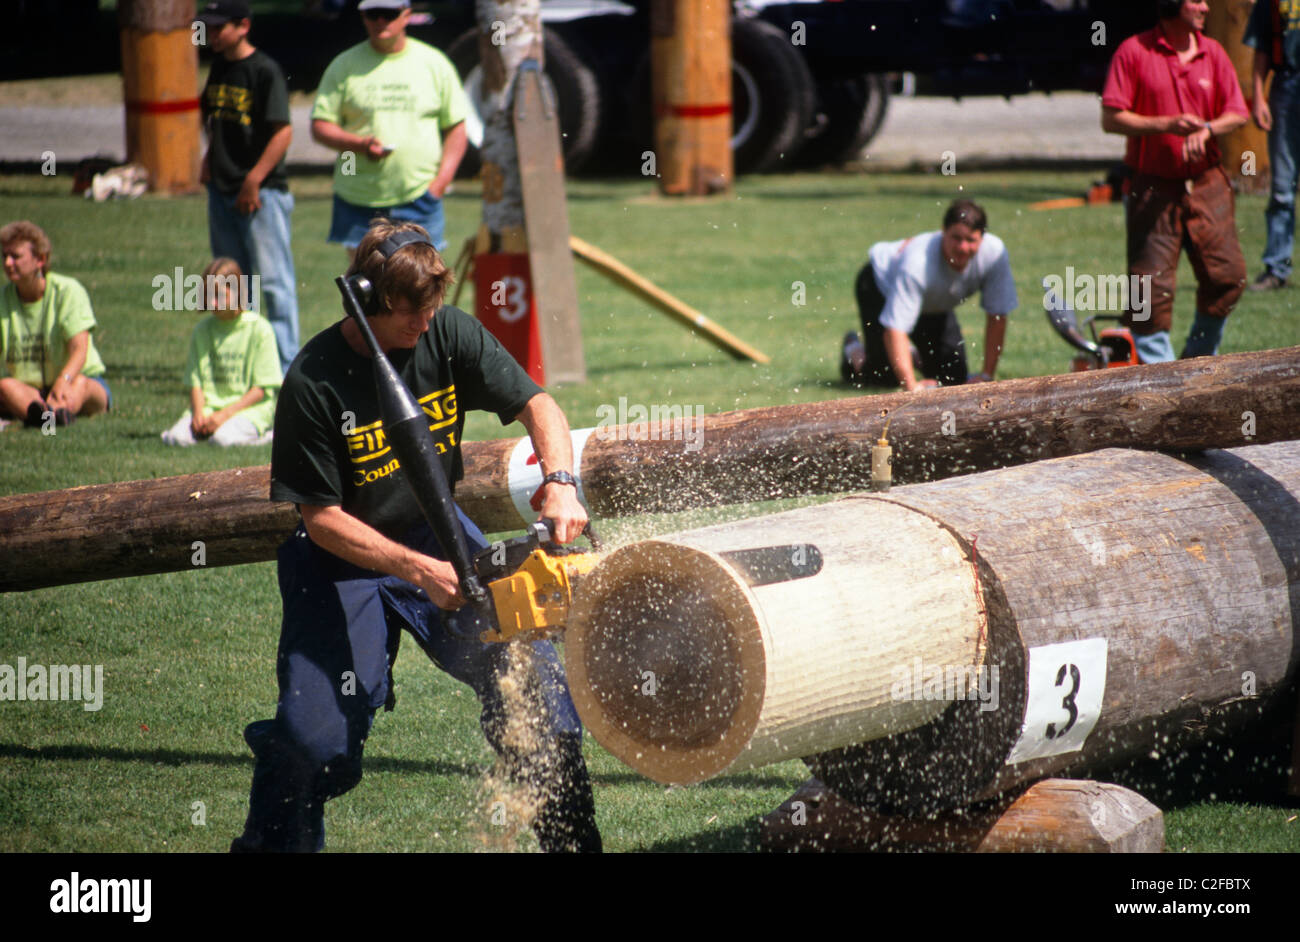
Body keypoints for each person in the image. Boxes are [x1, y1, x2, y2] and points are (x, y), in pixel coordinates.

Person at [232, 219, 600, 853]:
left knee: (538, 699)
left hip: (439, 535)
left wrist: (561, 482)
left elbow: (539, 405)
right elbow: (319, 519)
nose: (424, 326)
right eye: (409, 315)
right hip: (340, 558)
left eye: (431, 311)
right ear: (370, 301)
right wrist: (419, 573)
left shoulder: (446, 328)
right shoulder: (314, 379)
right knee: (316, 746)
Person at [1100, 0, 1248, 362]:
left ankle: (1196, 361)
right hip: (1152, 184)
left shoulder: (1213, 52)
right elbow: (1111, 117)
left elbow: (1238, 112)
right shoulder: (1133, 51)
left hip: (1206, 181)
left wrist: (1209, 128)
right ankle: (1164, 381)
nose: (1205, 7)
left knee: (1227, 278)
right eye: (1195, 0)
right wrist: (1165, 124)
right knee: (1147, 295)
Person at [310, 0, 469, 258]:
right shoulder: (344, 65)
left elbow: (457, 128)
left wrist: (440, 183)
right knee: (364, 289)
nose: (380, 21)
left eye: (389, 13)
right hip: (359, 201)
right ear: (363, 17)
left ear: (406, 15)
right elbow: (320, 127)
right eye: (373, 14)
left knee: (421, 288)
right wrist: (359, 145)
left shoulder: (434, 63)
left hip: (420, 198)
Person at [197, 0, 300, 375]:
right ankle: (246, 364)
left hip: (262, 194)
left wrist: (254, 180)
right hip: (223, 190)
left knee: (273, 283)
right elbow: (212, 116)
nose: (211, 35)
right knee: (233, 281)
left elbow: (283, 132)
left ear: (243, 26)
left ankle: (287, 368)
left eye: (218, 27)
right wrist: (209, 159)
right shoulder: (221, 66)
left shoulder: (265, 71)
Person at [840, 199, 1016, 391]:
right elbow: (894, 330)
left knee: (952, 376)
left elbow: (997, 316)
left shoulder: (995, 255)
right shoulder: (917, 263)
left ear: (982, 237)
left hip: (934, 302)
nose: (962, 248)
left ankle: (911, 353)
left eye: (970, 240)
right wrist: (911, 387)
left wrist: (986, 376)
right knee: (884, 377)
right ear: (943, 232)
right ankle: (852, 350)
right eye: (956, 238)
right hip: (878, 285)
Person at [160, 257, 281, 447]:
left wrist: (224, 415)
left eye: (219, 296)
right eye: (208, 296)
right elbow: (195, 383)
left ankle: (264, 438)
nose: (213, 303)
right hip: (209, 409)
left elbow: (260, 391)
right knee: (177, 439)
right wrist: (199, 414)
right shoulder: (202, 331)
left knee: (222, 440)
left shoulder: (260, 329)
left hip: (249, 410)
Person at [0, 220, 110, 426]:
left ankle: (46, 416)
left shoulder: (67, 291)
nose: (7, 263)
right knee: (5, 386)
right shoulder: (2, 300)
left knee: (81, 384)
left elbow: (79, 348)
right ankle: (49, 417)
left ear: (40, 259)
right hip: (31, 390)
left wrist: (63, 380)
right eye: (4, 256)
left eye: (15, 256)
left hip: (76, 379)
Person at [1243, 0, 1300, 292]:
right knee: (1282, 188)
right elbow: (1262, 45)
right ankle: (1276, 267)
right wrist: (1259, 96)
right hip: (1287, 87)